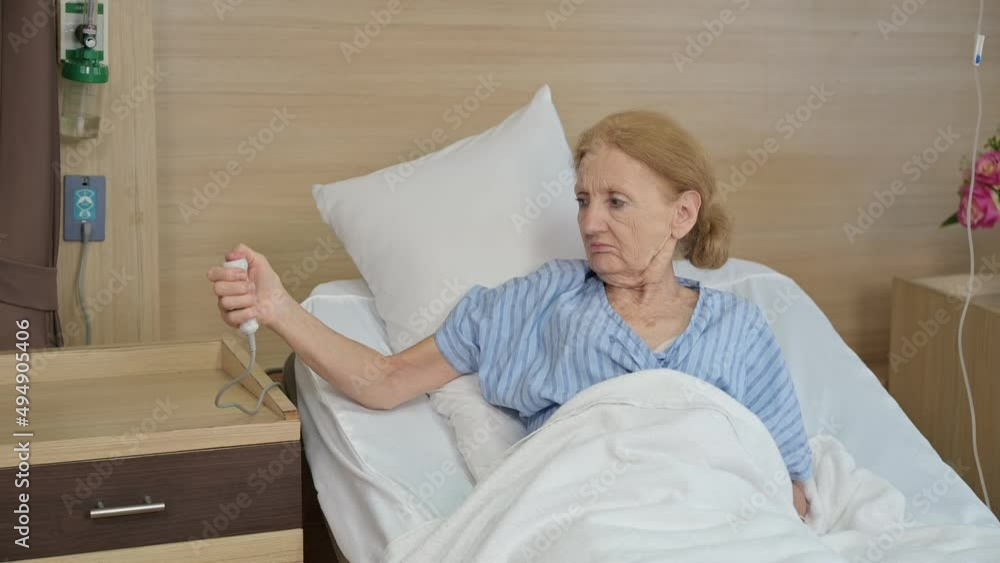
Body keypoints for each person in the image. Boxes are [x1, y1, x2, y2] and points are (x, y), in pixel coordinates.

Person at [207, 110, 812, 517]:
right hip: (589, 523)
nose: (590, 222)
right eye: (582, 201)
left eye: (616, 202)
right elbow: (384, 381)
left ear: (682, 214)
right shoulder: (537, 303)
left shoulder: (740, 329)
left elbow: (787, 489)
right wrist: (277, 306)